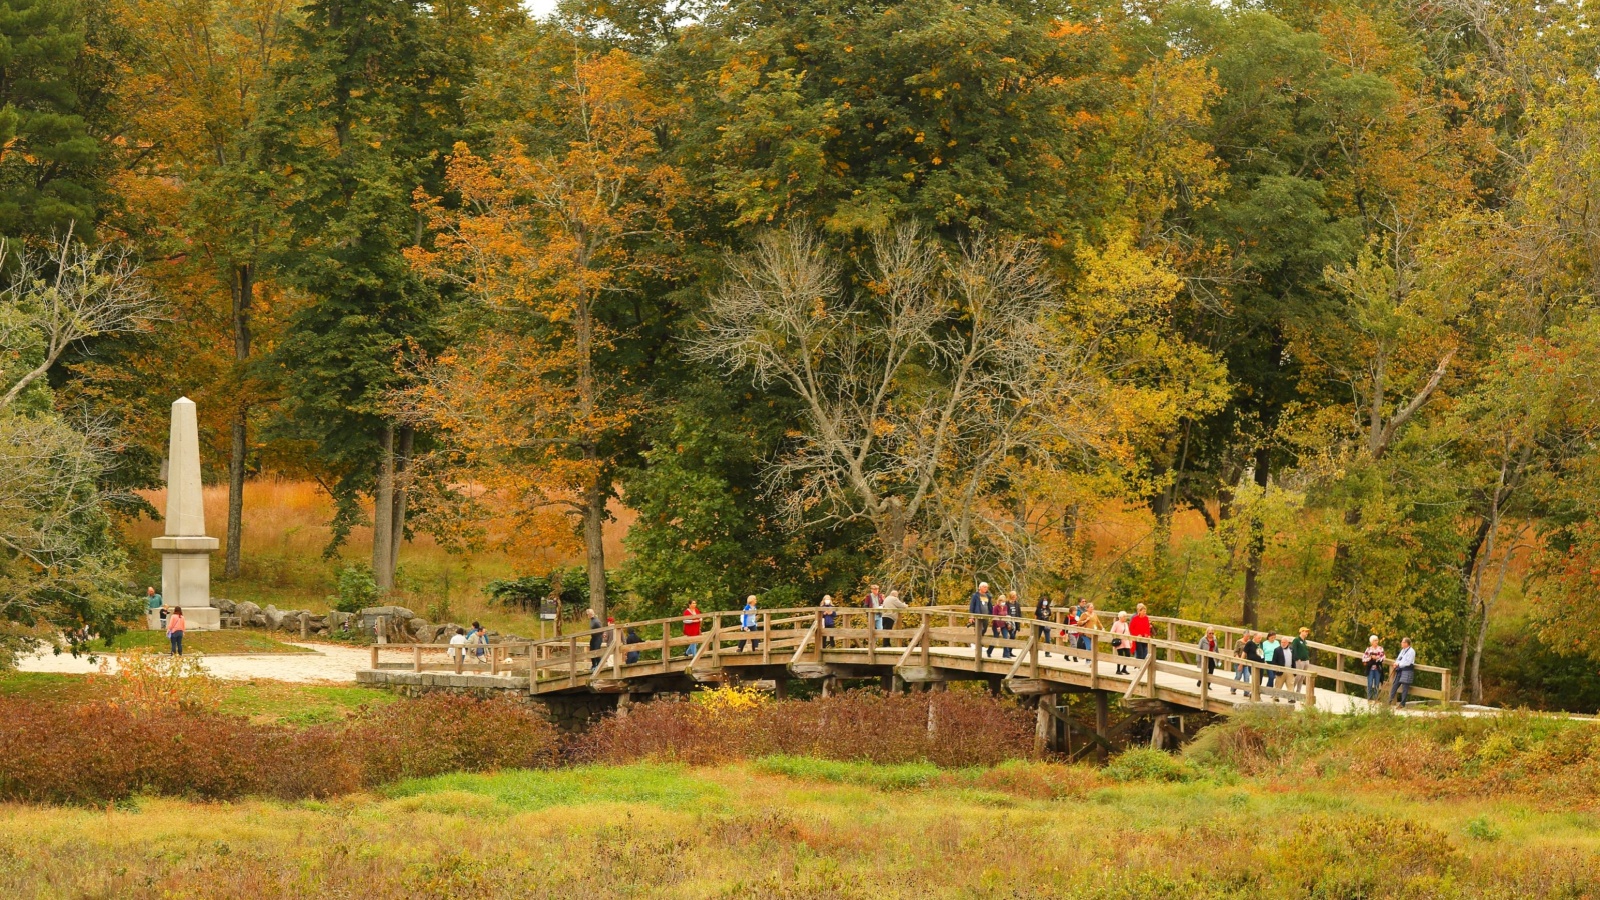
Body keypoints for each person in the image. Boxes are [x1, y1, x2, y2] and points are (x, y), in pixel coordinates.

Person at [1389, 637, 1415, 707]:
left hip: (1407, 670)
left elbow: (1408, 662)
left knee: (1405, 688)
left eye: (1402, 642)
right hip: (1400, 670)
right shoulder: (1403, 650)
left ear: (1406, 643)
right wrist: (1396, 663)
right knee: (1395, 685)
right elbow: (1399, 658)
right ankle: (1389, 701)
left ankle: (1402, 704)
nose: (1401, 643)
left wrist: (1399, 664)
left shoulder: (1411, 651)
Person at [969, 582, 994, 655]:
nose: (986, 588)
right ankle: (975, 643)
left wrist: (991, 615)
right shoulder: (975, 596)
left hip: (985, 615)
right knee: (978, 629)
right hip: (978, 615)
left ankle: (980, 644)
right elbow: (972, 606)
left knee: (984, 629)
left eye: (986, 587)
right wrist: (971, 616)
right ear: (980, 587)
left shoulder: (988, 596)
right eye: (984, 587)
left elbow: (990, 606)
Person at [1362, 635, 1386, 701]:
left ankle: (1376, 699)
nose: (1376, 642)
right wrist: (1370, 658)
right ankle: (1369, 698)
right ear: (1371, 642)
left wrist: (1377, 658)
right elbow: (1364, 658)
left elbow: (1383, 658)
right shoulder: (1368, 649)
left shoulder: (1380, 649)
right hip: (1370, 669)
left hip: (1377, 669)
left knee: (1377, 684)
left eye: (1377, 640)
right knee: (1369, 684)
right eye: (1375, 640)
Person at [1290, 627, 1313, 692]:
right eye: (1305, 631)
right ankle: (1291, 690)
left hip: (1306, 660)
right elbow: (1294, 650)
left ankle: (1298, 691)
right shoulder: (1296, 640)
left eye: (1307, 632)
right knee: (1298, 676)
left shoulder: (1304, 641)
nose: (1307, 633)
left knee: (1302, 677)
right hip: (1300, 661)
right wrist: (1297, 658)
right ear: (1301, 631)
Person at [992, 593, 1014, 659]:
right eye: (1002, 601)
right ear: (999, 601)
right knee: (995, 638)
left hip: (1004, 624)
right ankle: (989, 651)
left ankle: (1006, 654)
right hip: (997, 624)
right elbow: (994, 617)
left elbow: (1006, 615)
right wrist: (997, 626)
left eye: (1004, 601)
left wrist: (1009, 623)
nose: (1003, 603)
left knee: (1006, 637)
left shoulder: (1005, 607)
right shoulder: (996, 607)